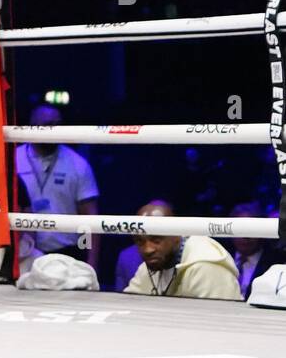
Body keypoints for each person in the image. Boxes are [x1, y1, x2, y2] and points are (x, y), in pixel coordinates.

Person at [13, 104, 101, 272]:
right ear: (32, 127)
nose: (54, 130)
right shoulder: (13, 159)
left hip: (67, 254)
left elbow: (89, 219)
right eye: (48, 125)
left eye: (58, 124)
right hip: (23, 254)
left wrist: (90, 264)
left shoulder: (78, 164)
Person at [122, 201, 242, 300]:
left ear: (176, 235)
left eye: (156, 240)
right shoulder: (151, 266)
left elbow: (219, 322)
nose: (148, 249)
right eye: (140, 241)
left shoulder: (205, 265)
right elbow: (128, 306)